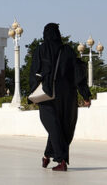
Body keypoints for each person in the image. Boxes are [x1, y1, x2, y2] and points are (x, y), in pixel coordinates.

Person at [30, 22, 91, 171]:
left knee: (54, 127)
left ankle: (61, 160)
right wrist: (85, 95)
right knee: (63, 127)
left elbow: (34, 72)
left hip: (47, 93)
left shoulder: (41, 49)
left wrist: (32, 92)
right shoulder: (68, 51)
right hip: (68, 95)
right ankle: (47, 155)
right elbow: (78, 74)